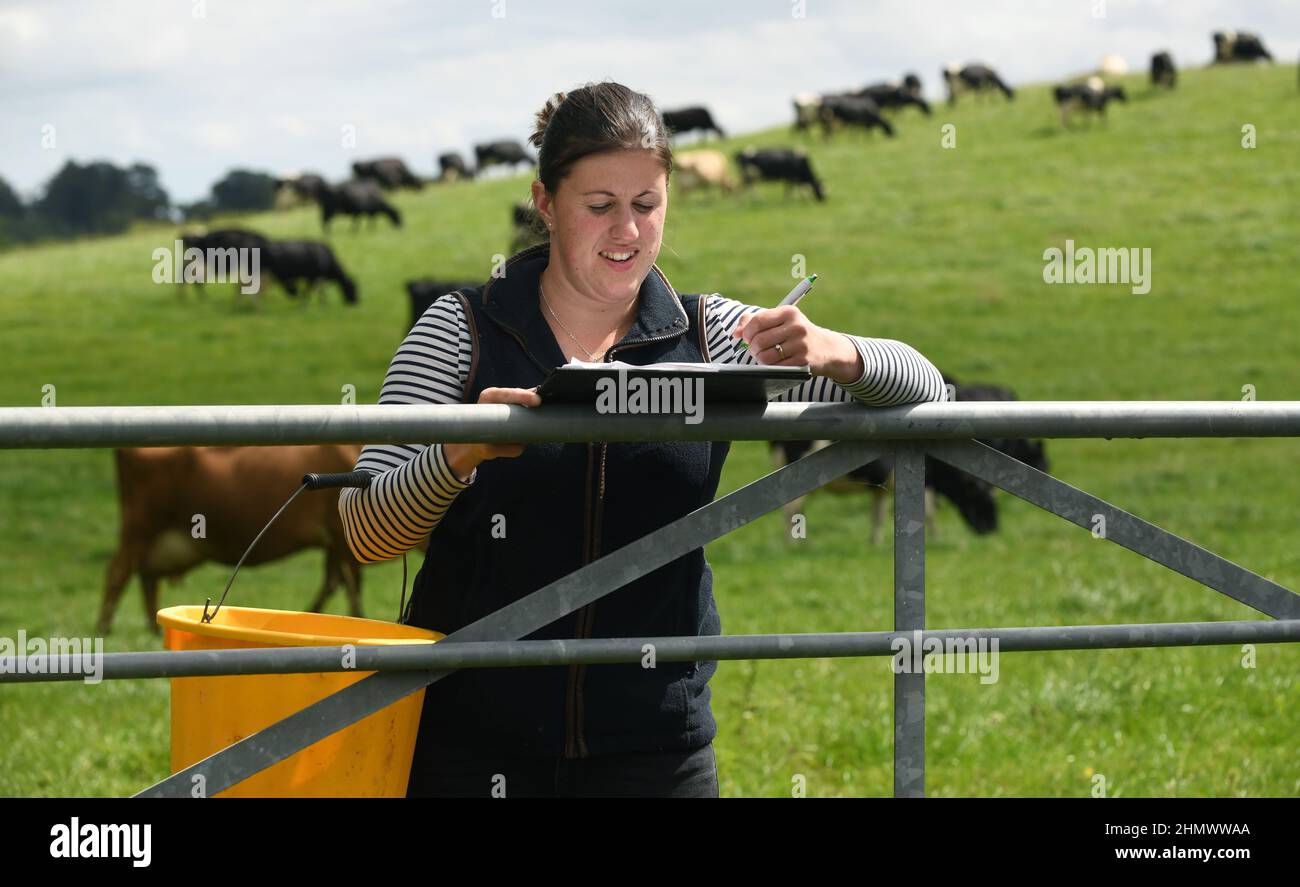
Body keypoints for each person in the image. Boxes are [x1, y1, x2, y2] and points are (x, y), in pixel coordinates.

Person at [338, 81, 946, 798]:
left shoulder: (713, 333)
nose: (626, 230)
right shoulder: (458, 329)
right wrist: (460, 453)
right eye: (599, 207)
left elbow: (932, 396)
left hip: (658, 749)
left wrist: (836, 350)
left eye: (647, 206)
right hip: (469, 743)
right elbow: (364, 531)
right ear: (544, 203)